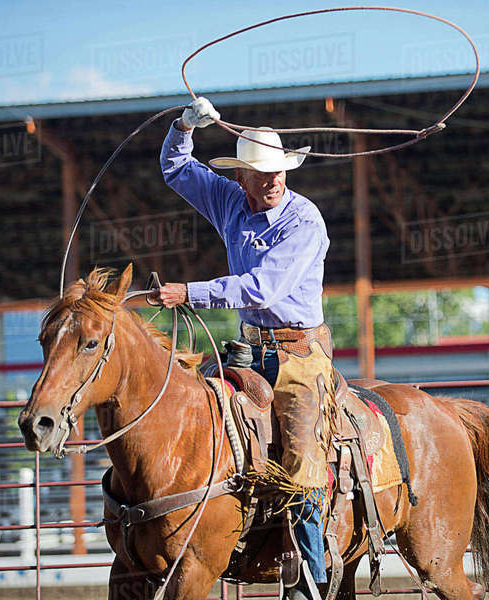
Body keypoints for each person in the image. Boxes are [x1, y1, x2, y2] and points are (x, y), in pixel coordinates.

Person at [154, 97, 335, 600]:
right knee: (191, 413)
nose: (273, 180)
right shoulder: (229, 200)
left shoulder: (304, 221)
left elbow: (262, 289)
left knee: (300, 463)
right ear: (243, 178)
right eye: (261, 172)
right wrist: (184, 126)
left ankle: (309, 580)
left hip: (300, 354)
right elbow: (175, 168)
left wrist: (189, 292)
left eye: (278, 170)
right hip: (248, 349)